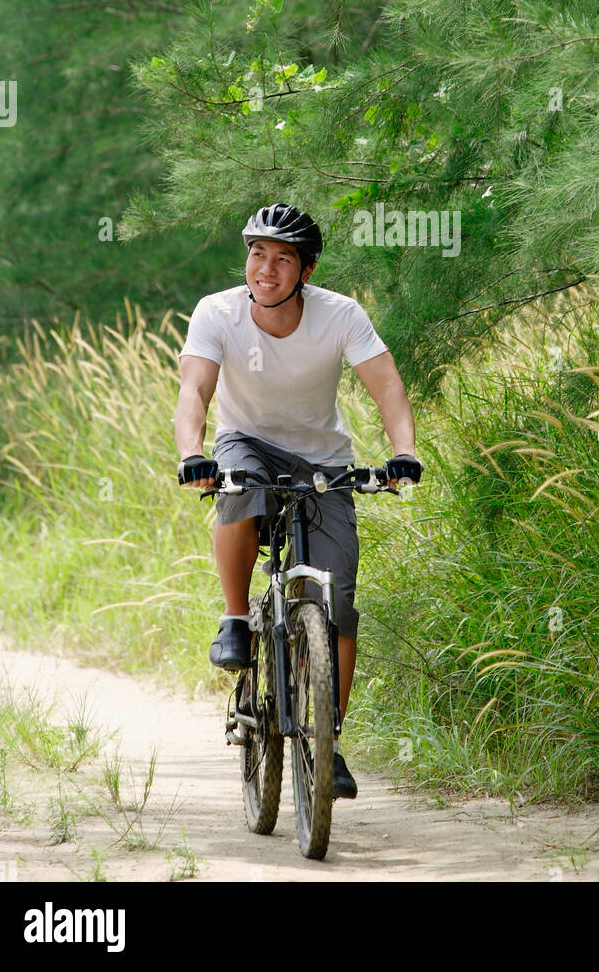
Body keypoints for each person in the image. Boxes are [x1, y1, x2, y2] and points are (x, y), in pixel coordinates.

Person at [174, 202, 422, 799]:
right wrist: (193, 455)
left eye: (283, 258)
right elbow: (195, 388)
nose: (266, 268)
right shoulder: (218, 312)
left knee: (335, 598)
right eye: (258, 254)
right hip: (245, 442)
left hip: (322, 462)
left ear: (305, 271)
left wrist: (404, 452)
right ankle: (236, 617)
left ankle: (327, 740)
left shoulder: (340, 315)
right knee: (237, 492)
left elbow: (385, 382)